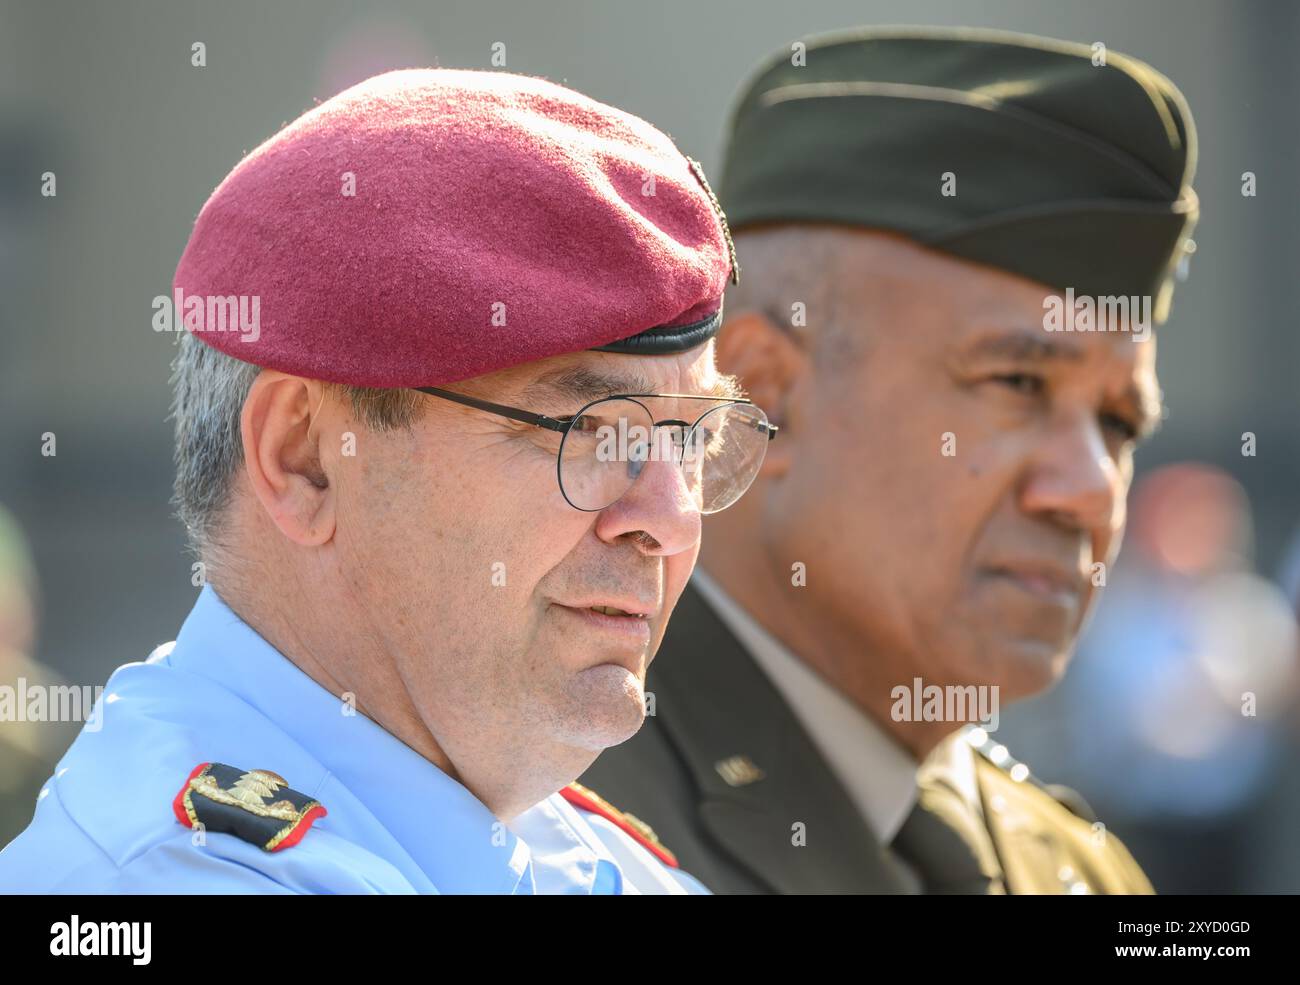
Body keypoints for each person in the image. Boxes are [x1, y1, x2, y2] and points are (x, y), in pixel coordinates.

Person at [0, 68, 778, 894]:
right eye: (587, 431)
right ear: (304, 458)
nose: (668, 519)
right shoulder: (165, 879)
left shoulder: (581, 859)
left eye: (692, 438)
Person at [583, 26, 1198, 894]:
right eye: (1017, 381)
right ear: (764, 398)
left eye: (1120, 423)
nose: (1090, 489)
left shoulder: (1081, 870)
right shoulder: (564, 839)